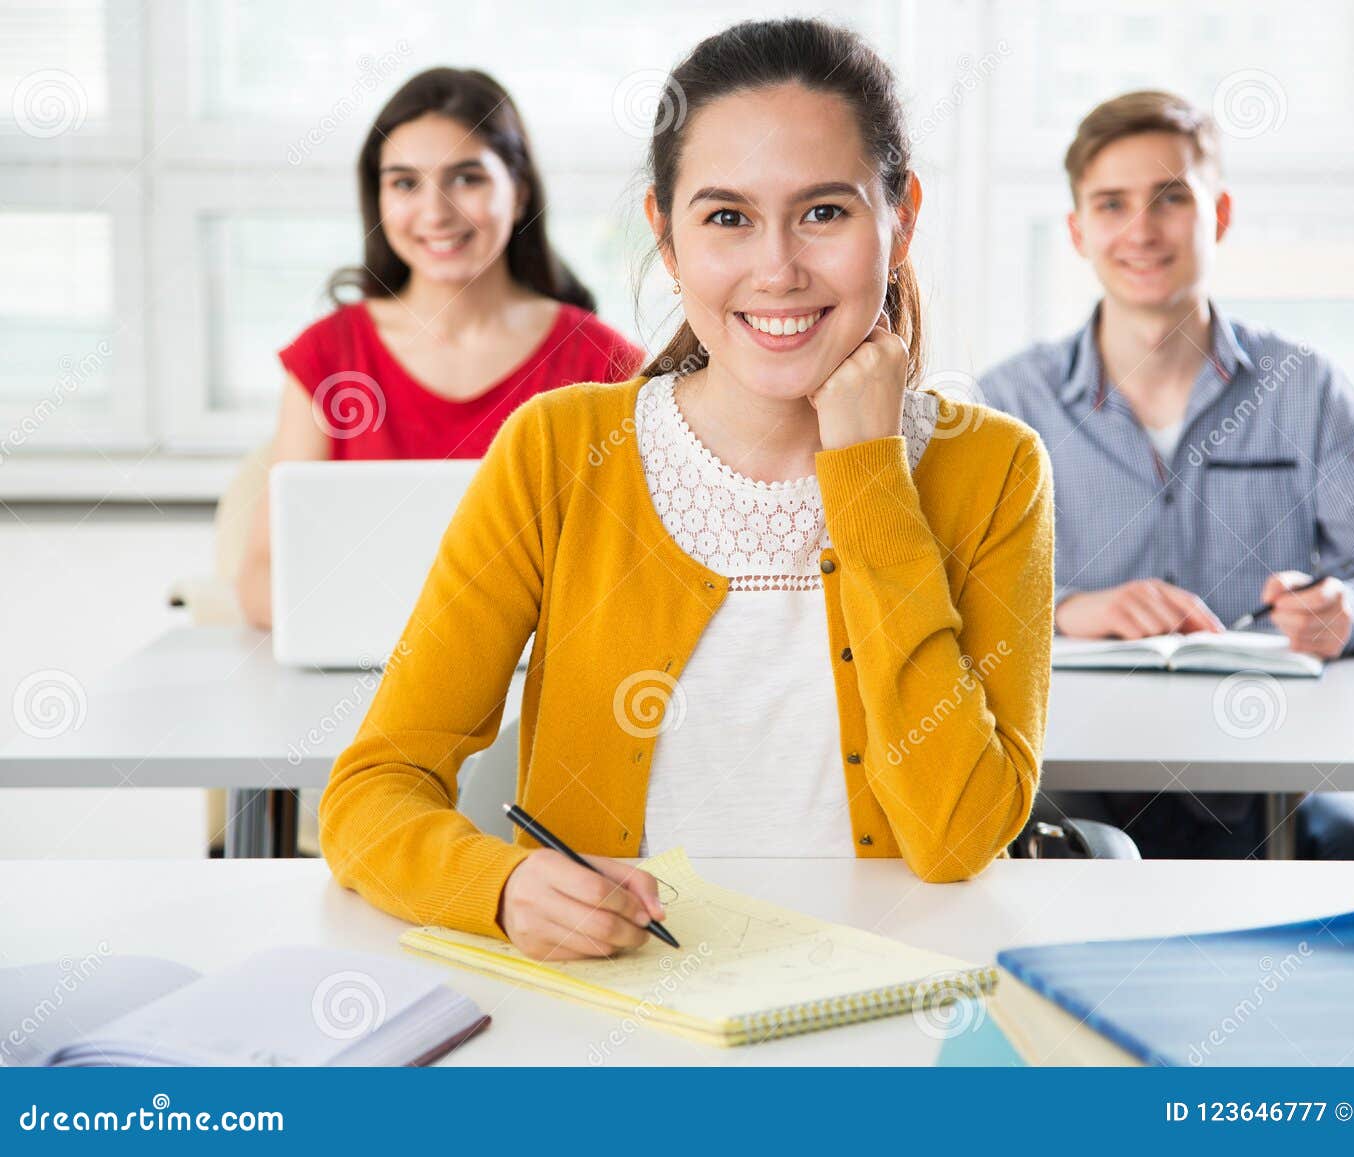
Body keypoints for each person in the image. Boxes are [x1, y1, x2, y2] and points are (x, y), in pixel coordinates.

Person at [319, 19, 1054, 962]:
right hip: (616, 1016)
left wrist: (867, 473)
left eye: (825, 212)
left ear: (901, 216)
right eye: (727, 217)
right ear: (666, 236)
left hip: (885, 1010)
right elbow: (372, 790)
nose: (778, 268)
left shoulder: (992, 469)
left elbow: (957, 838)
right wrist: (495, 887)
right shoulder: (559, 450)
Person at [980, 90, 1354, 860]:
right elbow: (959, 598)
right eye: (1111, 204)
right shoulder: (1009, 403)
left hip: (1273, 775)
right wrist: (1065, 609)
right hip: (1079, 780)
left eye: (1170, 198)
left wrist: (1350, 608)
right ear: (1076, 230)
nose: (1140, 230)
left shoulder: (1304, 388)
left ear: (1219, 215)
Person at [235, 67, 643, 629]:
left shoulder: (602, 362)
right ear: (377, 197)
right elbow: (261, 582)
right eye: (405, 183)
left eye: (466, 178)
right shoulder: (329, 356)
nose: (434, 212)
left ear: (519, 191)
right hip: (367, 681)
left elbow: (634, 567)